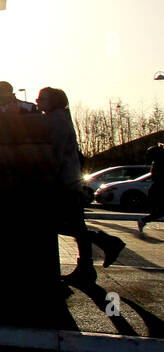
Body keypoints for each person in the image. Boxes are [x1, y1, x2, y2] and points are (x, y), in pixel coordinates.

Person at [36, 87, 124, 283]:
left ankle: (103, 247)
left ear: (53, 101)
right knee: (74, 224)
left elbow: (55, 151)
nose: (37, 101)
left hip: (63, 181)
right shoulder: (60, 117)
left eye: (42, 98)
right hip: (69, 180)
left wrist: (49, 176)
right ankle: (91, 262)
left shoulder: (56, 120)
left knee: (59, 223)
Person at [138, 144, 164, 234]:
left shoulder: (156, 163)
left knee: (159, 212)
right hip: (159, 190)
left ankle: (143, 221)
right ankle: (143, 221)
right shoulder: (159, 164)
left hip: (156, 189)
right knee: (160, 212)